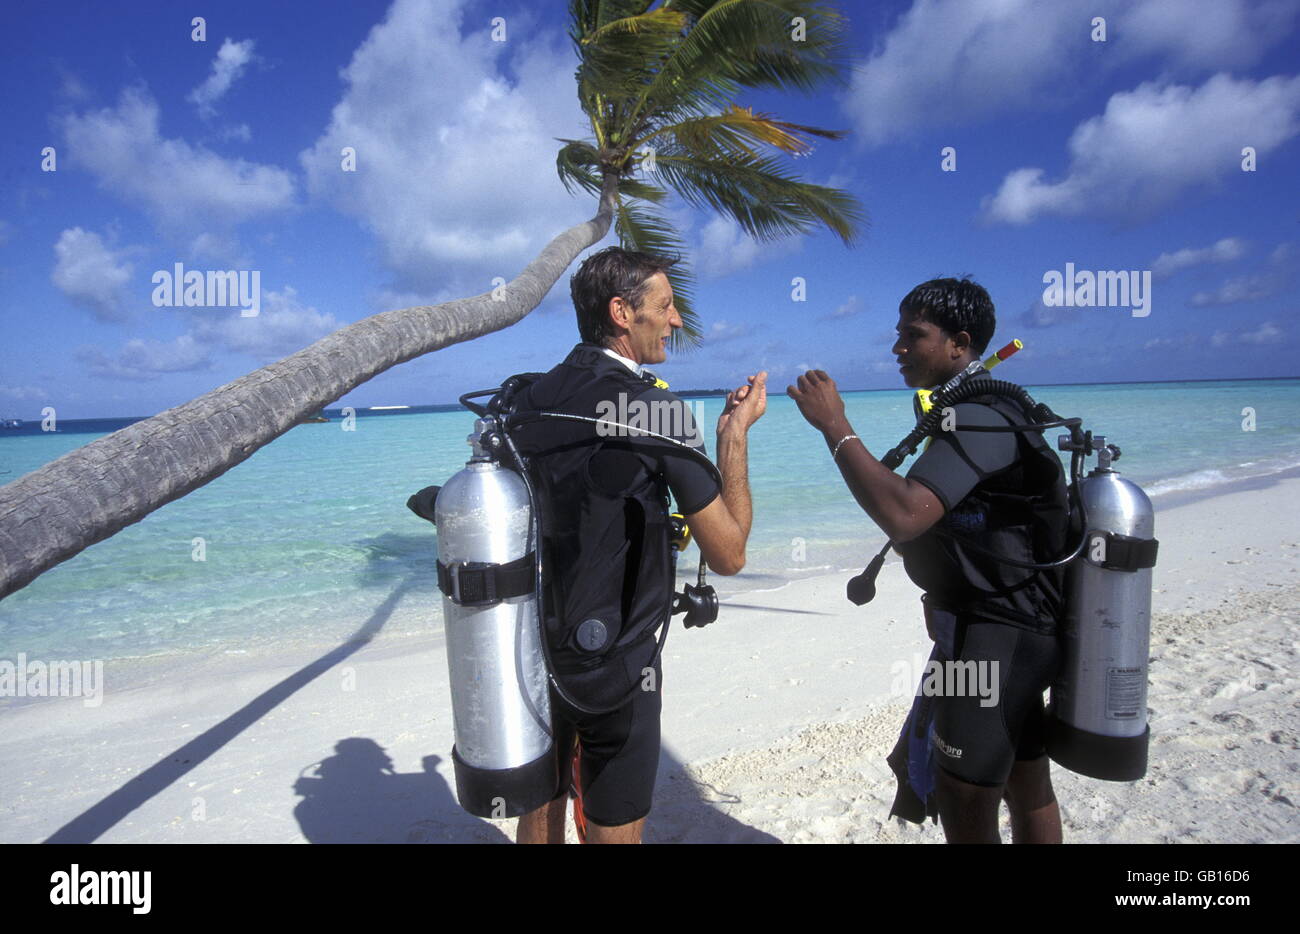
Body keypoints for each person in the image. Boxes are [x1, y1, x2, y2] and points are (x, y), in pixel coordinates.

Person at [787, 277, 1069, 844]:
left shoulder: (986, 414)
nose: (897, 348)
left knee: (964, 795)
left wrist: (835, 425)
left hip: (999, 637)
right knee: (1024, 780)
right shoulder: (974, 410)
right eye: (897, 334)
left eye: (912, 336)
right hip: (1003, 629)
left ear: (959, 344)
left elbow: (907, 513)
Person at [510, 246, 766, 844]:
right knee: (614, 820)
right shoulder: (656, 409)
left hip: (527, 645)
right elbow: (729, 554)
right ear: (623, 312)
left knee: (541, 799)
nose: (677, 321)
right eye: (667, 307)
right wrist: (734, 435)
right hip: (617, 661)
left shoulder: (524, 401)